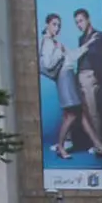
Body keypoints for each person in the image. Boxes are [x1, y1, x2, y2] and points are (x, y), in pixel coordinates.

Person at [40, 14, 81, 161]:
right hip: (64, 78)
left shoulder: (53, 41)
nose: (56, 28)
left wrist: (85, 47)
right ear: (47, 25)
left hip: (67, 77)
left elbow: (70, 55)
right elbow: (48, 64)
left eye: (58, 26)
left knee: (69, 114)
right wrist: (59, 51)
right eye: (54, 24)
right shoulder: (47, 42)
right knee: (72, 114)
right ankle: (61, 146)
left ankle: (62, 145)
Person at [71, 9, 102, 160]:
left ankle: (100, 145)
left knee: (94, 113)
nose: (79, 25)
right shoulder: (82, 38)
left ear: (88, 19)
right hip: (80, 76)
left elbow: (100, 59)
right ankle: (97, 144)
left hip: (90, 77)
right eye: (76, 23)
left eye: (80, 21)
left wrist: (98, 78)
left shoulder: (99, 36)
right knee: (85, 113)